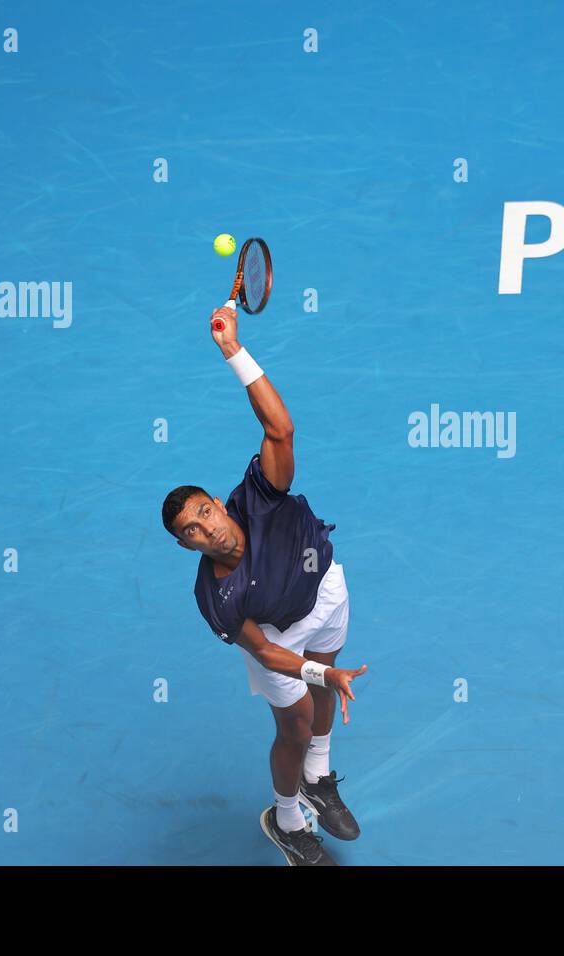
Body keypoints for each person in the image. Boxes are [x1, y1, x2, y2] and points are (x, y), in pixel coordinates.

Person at [161, 302, 368, 866]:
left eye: (206, 511)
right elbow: (267, 652)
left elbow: (280, 427)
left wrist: (233, 350)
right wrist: (321, 670)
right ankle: (286, 818)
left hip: (324, 593)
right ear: (189, 547)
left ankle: (318, 779)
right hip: (279, 639)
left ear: (217, 503)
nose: (209, 528)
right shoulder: (216, 597)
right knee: (295, 723)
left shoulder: (260, 496)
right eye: (193, 531)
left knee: (322, 700)